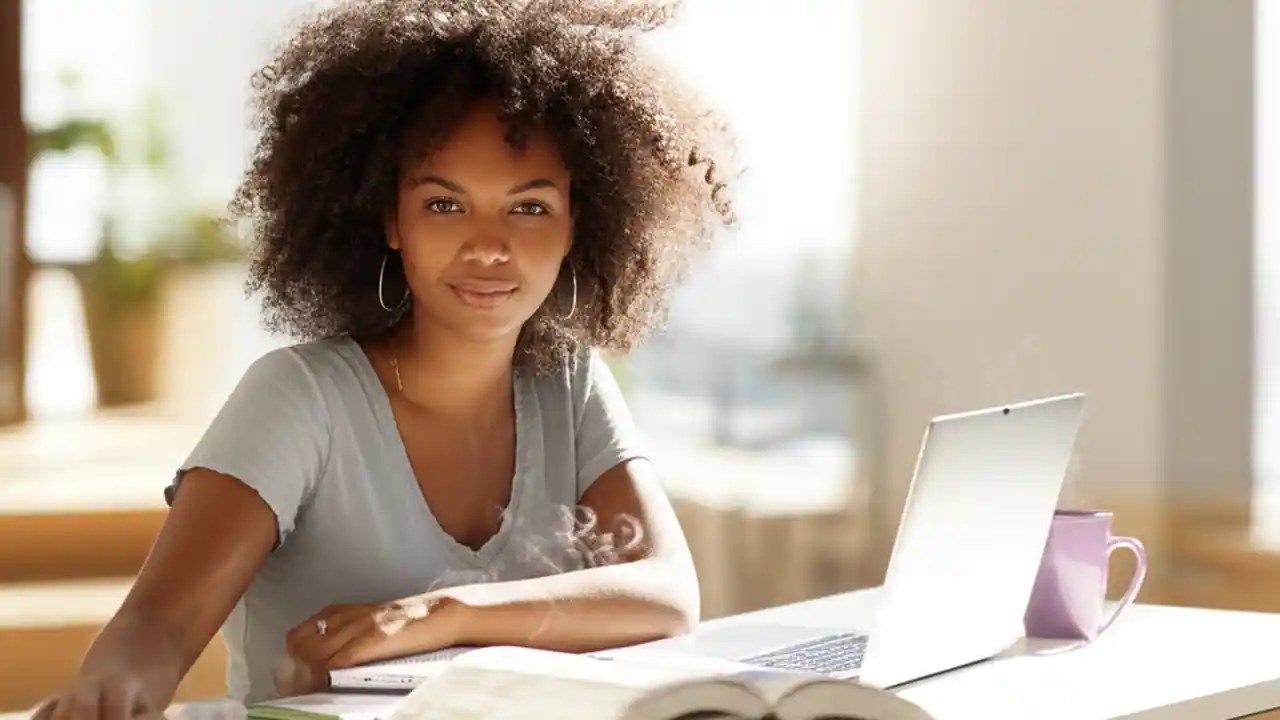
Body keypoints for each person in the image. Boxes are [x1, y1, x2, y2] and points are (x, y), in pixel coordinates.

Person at [34, 0, 737, 717]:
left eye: (527, 207)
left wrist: (443, 615)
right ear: (389, 220)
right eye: (444, 204)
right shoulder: (300, 397)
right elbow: (155, 625)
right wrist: (112, 689)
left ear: (575, 223)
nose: (489, 246)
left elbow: (666, 593)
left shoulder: (571, 382)